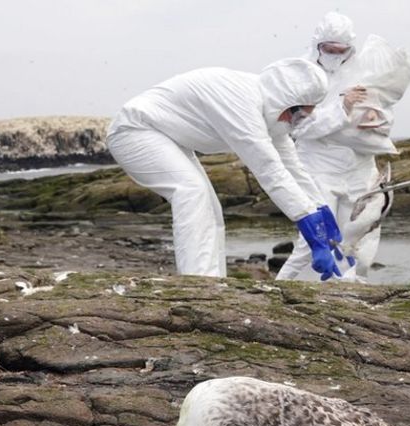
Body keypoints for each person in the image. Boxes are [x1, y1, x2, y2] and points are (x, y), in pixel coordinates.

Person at [106, 58, 345, 280]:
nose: (297, 123)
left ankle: (213, 282)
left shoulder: (268, 115)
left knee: (211, 208)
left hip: (167, 137)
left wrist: (322, 213)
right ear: (285, 101)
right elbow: (270, 170)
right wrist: (312, 231)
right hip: (134, 131)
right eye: (300, 115)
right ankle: (197, 286)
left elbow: (293, 168)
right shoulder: (241, 101)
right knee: (192, 191)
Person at [275, 12, 388, 282]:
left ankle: (350, 294)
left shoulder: (364, 69)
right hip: (317, 166)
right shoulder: (300, 73)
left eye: (342, 51)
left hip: (359, 167)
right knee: (314, 238)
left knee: (358, 236)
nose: (336, 56)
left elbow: (384, 111)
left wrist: (375, 118)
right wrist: (342, 107)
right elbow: (300, 127)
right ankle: (279, 288)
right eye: (329, 50)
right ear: (317, 45)